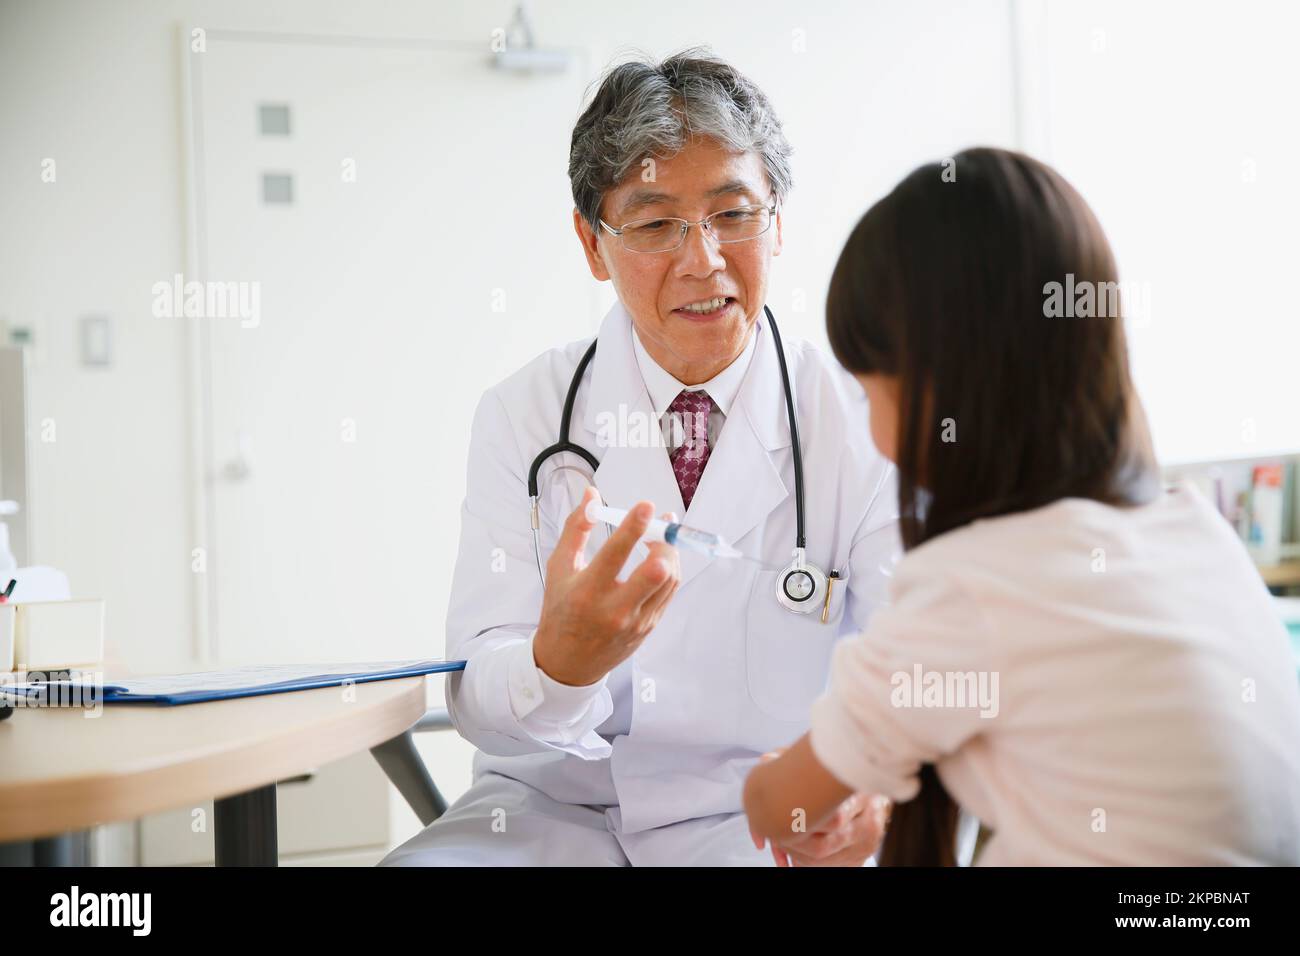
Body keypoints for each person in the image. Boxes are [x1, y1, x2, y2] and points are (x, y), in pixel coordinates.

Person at [380, 50, 898, 866]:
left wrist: (873, 789)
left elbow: (910, 669)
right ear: (593, 243)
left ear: (779, 222)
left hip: (759, 815)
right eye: (656, 224)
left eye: (734, 215)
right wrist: (557, 666)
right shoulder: (524, 414)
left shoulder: (861, 418)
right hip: (554, 808)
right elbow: (478, 695)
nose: (703, 258)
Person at [743, 146, 1300, 865]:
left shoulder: (973, 586)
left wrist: (778, 776)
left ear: (937, 389)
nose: (868, 429)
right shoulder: (1192, 530)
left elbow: (774, 809)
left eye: (868, 389)